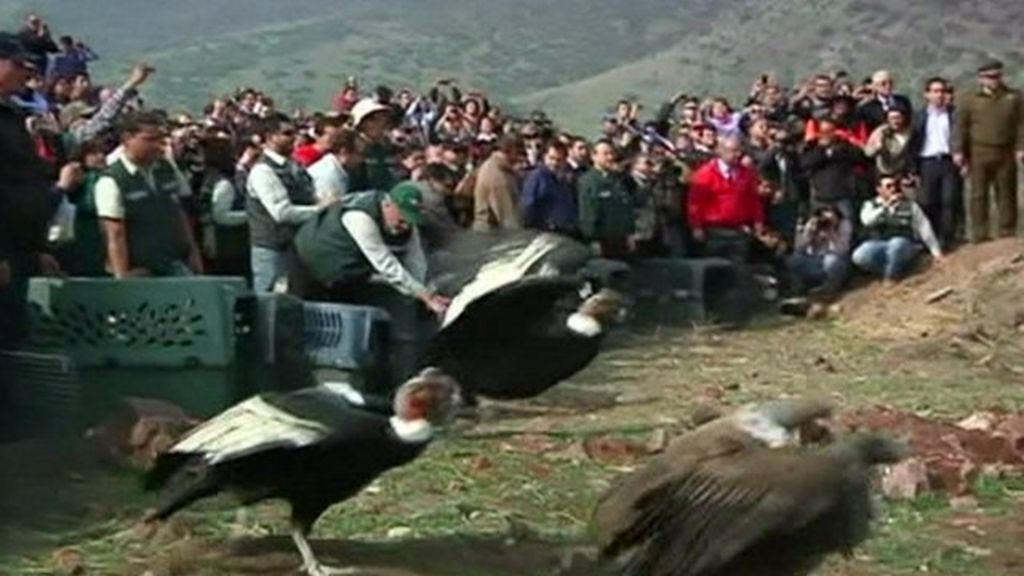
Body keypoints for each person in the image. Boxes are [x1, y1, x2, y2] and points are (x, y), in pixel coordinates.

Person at [291, 185, 449, 316]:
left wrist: (425, 295)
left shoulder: (407, 224)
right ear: (388, 204)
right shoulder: (360, 218)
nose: (406, 226)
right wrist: (424, 295)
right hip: (309, 259)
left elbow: (416, 260)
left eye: (410, 221)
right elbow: (386, 264)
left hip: (349, 268)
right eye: (401, 220)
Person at [0, 32, 62, 349]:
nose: (25, 72)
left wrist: (34, 251)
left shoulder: (11, 114)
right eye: (17, 64)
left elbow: (23, 182)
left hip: (18, 252)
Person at [94, 111, 203, 278]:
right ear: (127, 139)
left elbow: (179, 213)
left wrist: (193, 252)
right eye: (150, 140)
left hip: (174, 263)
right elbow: (114, 234)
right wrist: (122, 279)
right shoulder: (112, 180)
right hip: (140, 270)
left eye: (161, 139)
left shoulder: (166, 169)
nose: (158, 145)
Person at [247, 114, 329, 292]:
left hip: (295, 247)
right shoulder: (263, 170)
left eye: (295, 132)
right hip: (271, 250)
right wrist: (319, 210)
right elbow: (281, 213)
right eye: (287, 133)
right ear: (270, 137)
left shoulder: (293, 166)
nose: (294, 138)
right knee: (268, 305)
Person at [953, 60, 1024, 242]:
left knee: (1007, 193)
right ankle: (979, 234)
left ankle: (1007, 232)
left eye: (997, 76)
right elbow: (961, 127)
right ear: (981, 78)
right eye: (990, 77)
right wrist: (959, 150)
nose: (994, 80)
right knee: (978, 195)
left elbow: (1021, 125)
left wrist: (1020, 147)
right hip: (979, 152)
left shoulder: (1014, 97)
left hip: (1006, 151)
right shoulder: (969, 99)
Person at [852, 174, 943, 284]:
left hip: (905, 244)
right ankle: (893, 270)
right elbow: (867, 221)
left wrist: (936, 253)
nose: (893, 189)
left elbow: (924, 227)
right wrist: (885, 206)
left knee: (896, 244)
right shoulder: (870, 204)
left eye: (895, 185)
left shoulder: (910, 205)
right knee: (859, 255)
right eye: (889, 186)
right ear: (879, 190)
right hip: (880, 245)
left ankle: (891, 277)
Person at [687, 136, 765, 264]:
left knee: (738, 268)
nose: (737, 155)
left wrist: (758, 221)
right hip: (714, 231)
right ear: (721, 151)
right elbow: (695, 203)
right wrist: (696, 227)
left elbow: (753, 200)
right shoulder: (705, 174)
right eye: (733, 151)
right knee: (715, 268)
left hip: (739, 230)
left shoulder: (746, 173)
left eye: (740, 151)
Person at [910, 77, 961, 249]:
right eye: (935, 91)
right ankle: (929, 241)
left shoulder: (954, 114)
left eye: (942, 91)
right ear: (927, 94)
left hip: (949, 161)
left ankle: (947, 240)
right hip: (927, 162)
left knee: (950, 201)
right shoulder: (919, 116)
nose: (939, 95)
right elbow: (913, 143)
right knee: (928, 202)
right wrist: (913, 169)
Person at [198, 135, 249, 277]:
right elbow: (221, 216)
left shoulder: (208, 177)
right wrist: (250, 215)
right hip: (227, 244)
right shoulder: (223, 183)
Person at [577, 139, 636, 258]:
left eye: (611, 153)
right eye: (605, 154)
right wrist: (592, 240)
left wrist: (629, 234)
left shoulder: (617, 180)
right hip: (603, 241)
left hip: (621, 239)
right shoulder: (589, 181)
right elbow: (588, 213)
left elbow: (625, 209)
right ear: (594, 156)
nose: (610, 157)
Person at [800, 118, 864, 220]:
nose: (827, 135)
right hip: (820, 196)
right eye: (824, 132)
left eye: (830, 131)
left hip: (842, 195)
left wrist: (843, 145)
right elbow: (805, 164)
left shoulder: (844, 147)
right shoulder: (812, 148)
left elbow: (860, 157)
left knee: (846, 223)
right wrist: (822, 150)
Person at [784, 205, 852, 297]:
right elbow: (798, 249)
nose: (825, 222)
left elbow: (842, 250)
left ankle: (830, 288)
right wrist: (808, 233)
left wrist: (831, 234)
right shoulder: (814, 225)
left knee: (833, 261)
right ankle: (799, 289)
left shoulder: (844, 224)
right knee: (793, 260)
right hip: (815, 261)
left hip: (836, 262)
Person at [519, 142, 577, 236]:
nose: (554, 163)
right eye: (551, 158)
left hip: (563, 233)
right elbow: (527, 207)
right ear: (544, 157)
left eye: (559, 160)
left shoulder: (563, 180)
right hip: (544, 233)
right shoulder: (537, 177)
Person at [471, 134, 522, 232]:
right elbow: (505, 216)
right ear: (511, 150)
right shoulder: (497, 176)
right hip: (491, 233)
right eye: (518, 152)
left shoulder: (499, 168)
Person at [307, 128, 363, 202]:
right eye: (359, 154)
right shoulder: (327, 174)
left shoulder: (340, 170)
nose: (362, 159)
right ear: (344, 152)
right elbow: (327, 208)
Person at [864, 107, 913, 176]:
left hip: (904, 173)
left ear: (903, 118)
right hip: (885, 173)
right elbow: (868, 153)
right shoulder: (880, 132)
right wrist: (877, 147)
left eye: (898, 118)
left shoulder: (910, 132)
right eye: (892, 118)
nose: (895, 121)